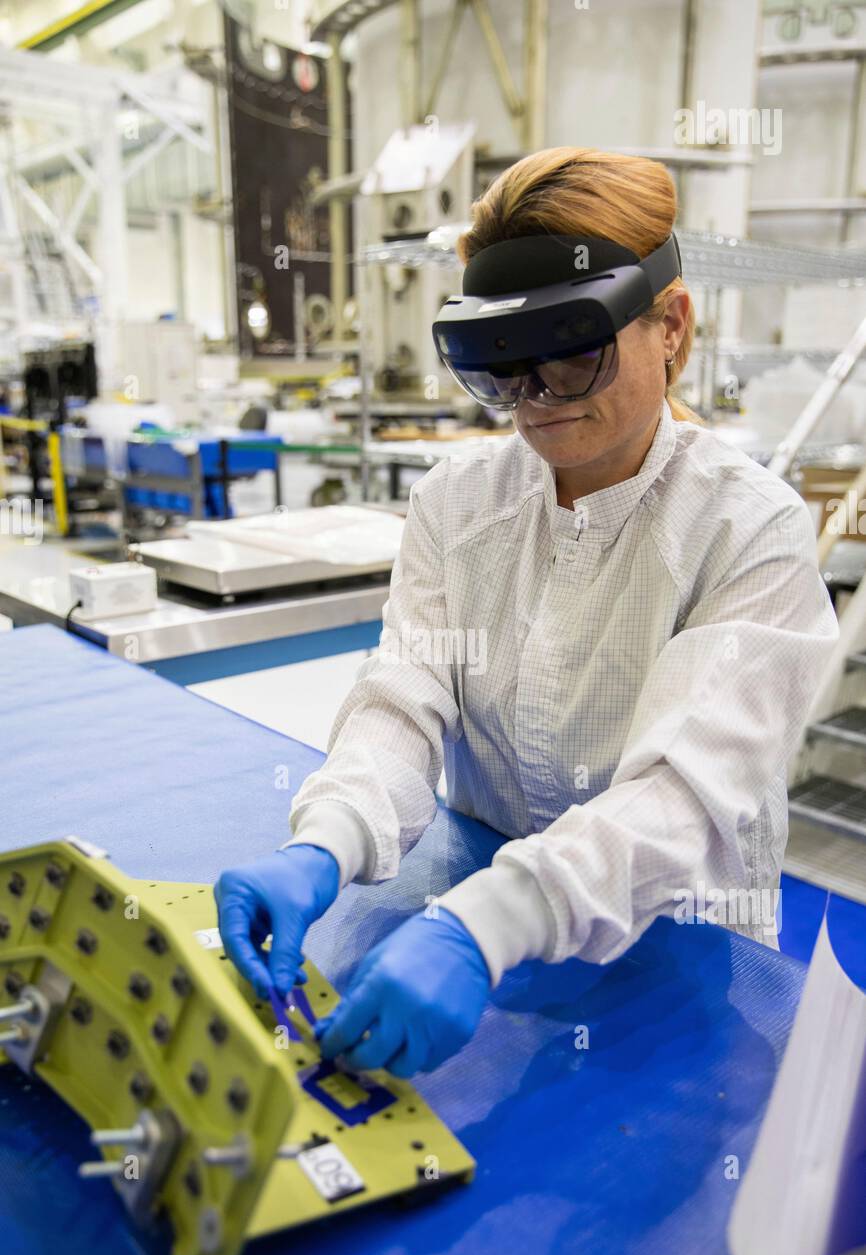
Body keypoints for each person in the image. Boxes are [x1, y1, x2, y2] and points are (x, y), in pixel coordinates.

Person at [215, 147, 838, 1078]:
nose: (534, 402)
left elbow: (684, 801)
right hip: (484, 936)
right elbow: (404, 701)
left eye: (574, 357)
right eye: (501, 371)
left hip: (674, 966)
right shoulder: (457, 503)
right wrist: (327, 840)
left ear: (670, 324)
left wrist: (481, 929)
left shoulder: (750, 531)